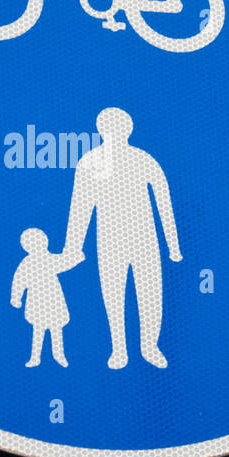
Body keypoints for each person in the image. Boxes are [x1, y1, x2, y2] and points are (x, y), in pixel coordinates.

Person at [63, 107, 181, 368]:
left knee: (150, 294)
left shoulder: (143, 160)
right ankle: (119, 349)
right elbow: (80, 208)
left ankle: (150, 346)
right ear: (101, 130)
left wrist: (173, 245)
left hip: (144, 238)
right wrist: (73, 247)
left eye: (119, 127)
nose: (115, 132)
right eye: (110, 127)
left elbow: (164, 204)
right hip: (110, 239)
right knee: (113, 294)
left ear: (129, 129)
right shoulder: (89, 163)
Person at [11, 228, 77, 367]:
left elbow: (64, 262)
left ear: (45, 242)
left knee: (56, 330)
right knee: (38, 331)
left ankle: (59, 355)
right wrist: (16, 298)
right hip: (37, 302)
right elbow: (19, 281)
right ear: (26, 247)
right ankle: (35, 358)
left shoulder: (49, 258)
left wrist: (75, 258)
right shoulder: (27, 263)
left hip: (53, 301)